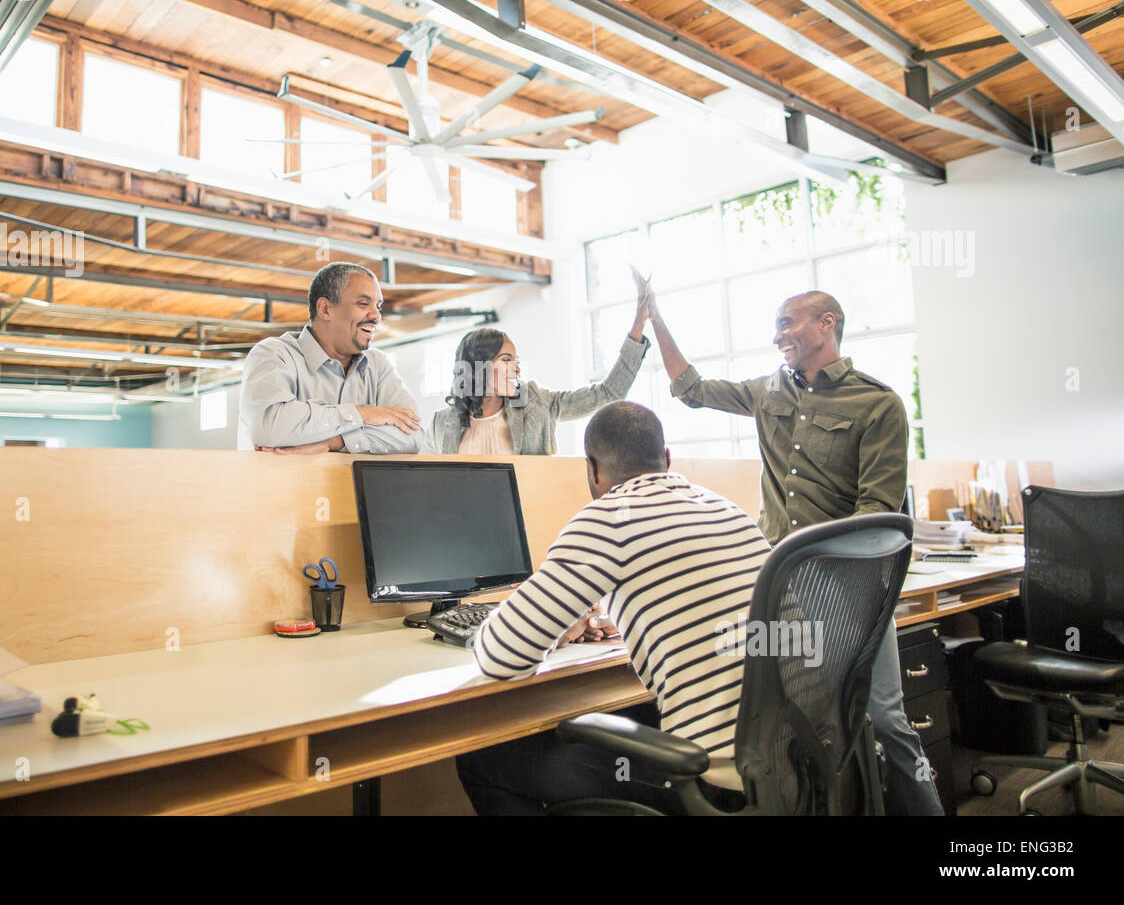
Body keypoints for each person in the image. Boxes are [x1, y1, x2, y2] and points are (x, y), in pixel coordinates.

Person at [643, 285, 943, 815]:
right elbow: (689, 389)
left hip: (850, 591)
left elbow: (876, 519)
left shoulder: (877, 404)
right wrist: (657, 319)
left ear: (827, 324)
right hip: (780, 592)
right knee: (792, 730)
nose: (777, 335)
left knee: (888, 721)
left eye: (787, 323)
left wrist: (818, 572)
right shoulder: (768, 392)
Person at [455, 401, 769, 814]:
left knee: (484, 759)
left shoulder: (608, 518)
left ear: (592, 468)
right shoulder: (728, 511)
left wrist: (550, 627)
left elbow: (501, 656)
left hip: (713, 778)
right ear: (667, 458)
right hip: (788, 764)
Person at [424, 272, 651, 455]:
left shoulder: (536, 403)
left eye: (516, 361)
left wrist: (638, 326)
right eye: (506, 360)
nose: (517, 368)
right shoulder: (442, 423)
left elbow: (607, 394)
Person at [237, 262, 422, 454]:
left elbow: (415, 435)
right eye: (363, 304)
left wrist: (335, 442)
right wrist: (363, 414)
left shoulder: (378, 365)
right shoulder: (274, 355)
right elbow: (270, 428)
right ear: (325, 309)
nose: (376, 316)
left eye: (378, 306)